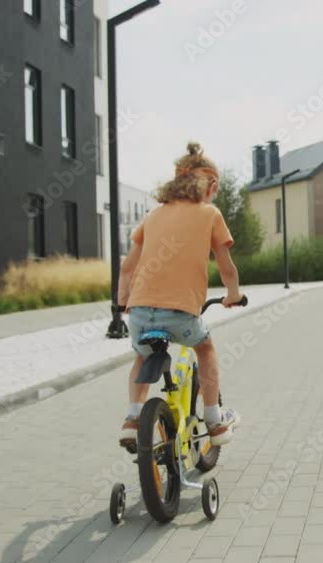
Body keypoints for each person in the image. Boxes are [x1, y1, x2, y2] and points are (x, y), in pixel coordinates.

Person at [117, 141, 243, 450]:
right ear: (211, 184)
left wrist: (122, 302)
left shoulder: (153, 215)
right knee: (206, 349)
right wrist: (233, 294)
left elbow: (128, 268)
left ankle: (133, 419)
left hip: (140, 313)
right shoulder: (210, 214)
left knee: (141, 355)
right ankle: (214, 420)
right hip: (181, 315)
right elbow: (226, 267)